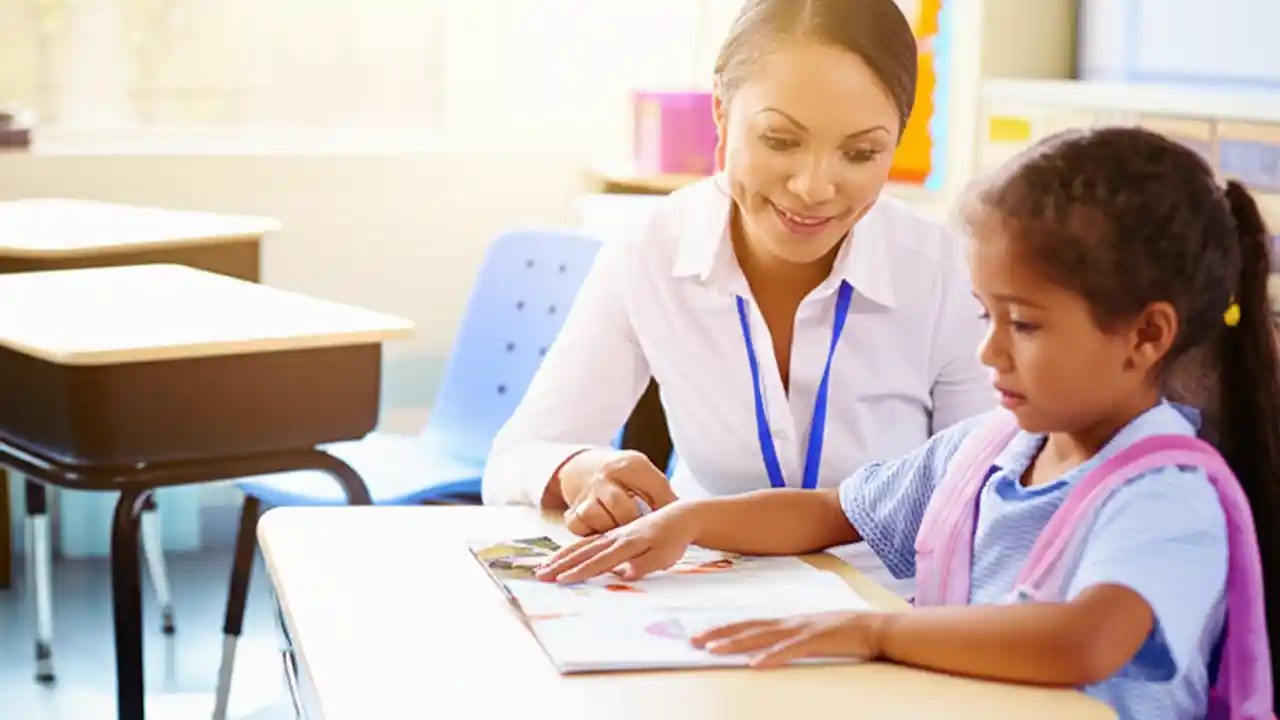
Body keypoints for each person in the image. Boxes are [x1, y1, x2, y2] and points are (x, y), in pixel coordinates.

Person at [535, 126, 1280, 720]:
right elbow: (831, 512)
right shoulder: (990, 447)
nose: (989, 350)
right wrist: (692, 521)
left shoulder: (1167, 493)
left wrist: (874, 631)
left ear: (1146, 336)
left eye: (1023, 324)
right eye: (986, 316)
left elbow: (1086, 639)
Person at [482, 0, 994, 589]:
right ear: (722, 113)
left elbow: (983, 493)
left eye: (860, 153)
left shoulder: (945, 274)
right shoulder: (650, 252)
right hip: (702, 599)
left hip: (893, 611)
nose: (813, 187)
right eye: (780, 140)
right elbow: (517, 456)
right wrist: (582, 470)